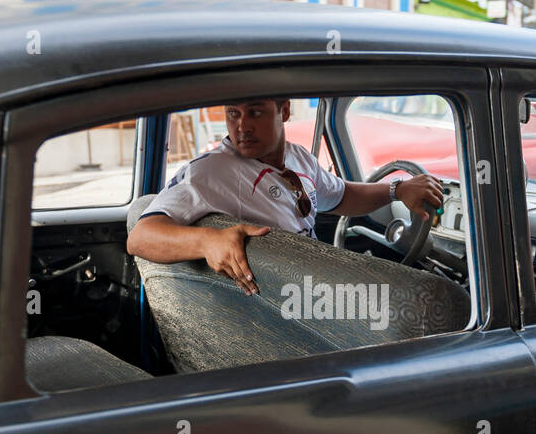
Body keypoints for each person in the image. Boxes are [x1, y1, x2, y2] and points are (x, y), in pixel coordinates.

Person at [127, 98, 445, 295]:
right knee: (428, 294)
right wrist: (208, 241)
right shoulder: (211, 171)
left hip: (315, 286)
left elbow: (342, 195)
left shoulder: (299, 158)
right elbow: (141, 237)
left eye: (255, 113)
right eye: (233, 113)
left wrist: (397, 190)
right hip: (287, 300)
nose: (241, 127)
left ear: (285, 110)